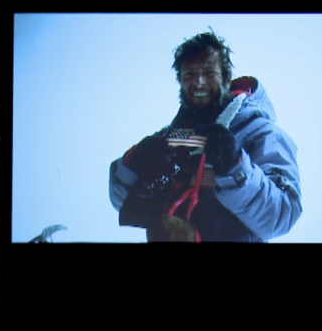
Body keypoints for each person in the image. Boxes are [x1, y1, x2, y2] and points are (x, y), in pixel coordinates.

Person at [109, 30, 301, 242]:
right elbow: (119, 199)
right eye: (189, 74)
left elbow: (282, 216)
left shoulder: (261, 133)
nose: (199, 82)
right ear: (180, 81)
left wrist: (234, 169)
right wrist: (135, 163)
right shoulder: (172, 137)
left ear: (227, 78)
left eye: (209, 73)